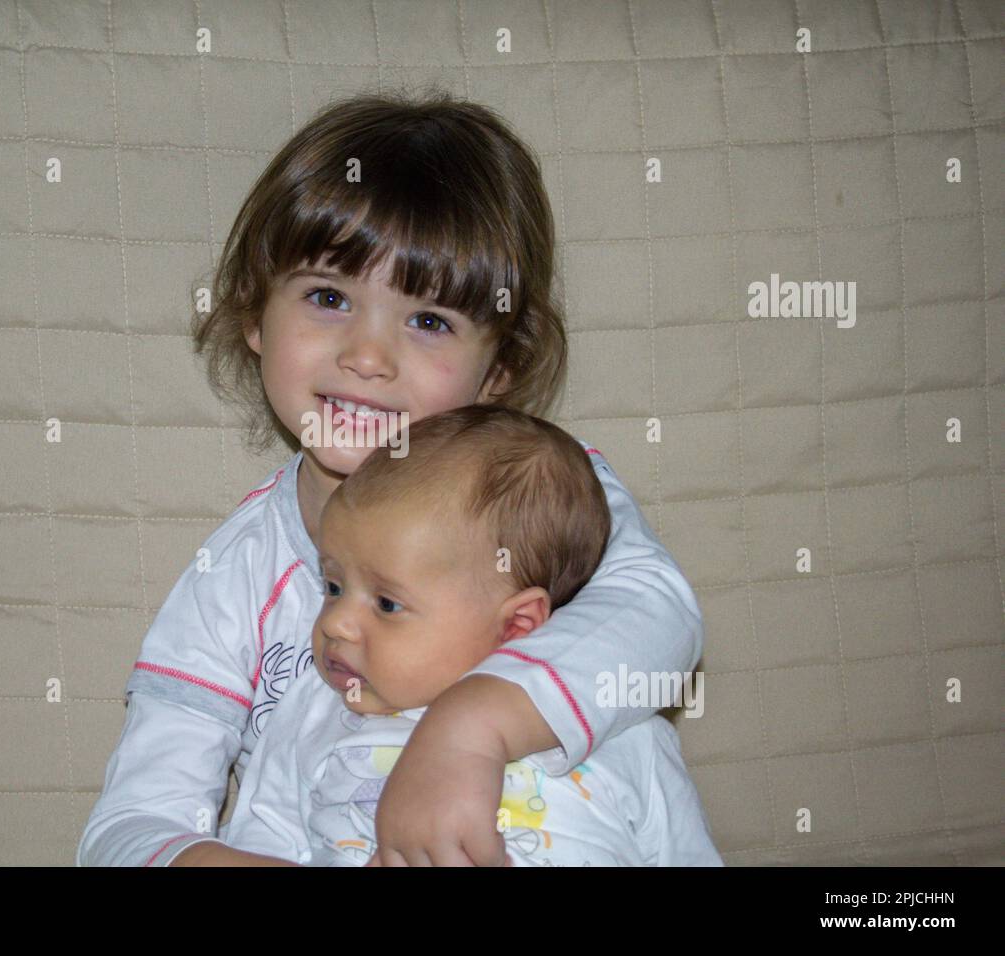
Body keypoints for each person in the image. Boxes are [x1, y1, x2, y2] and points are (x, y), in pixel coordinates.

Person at [77, 88, 704, 867]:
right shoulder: (235, 576)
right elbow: (130, 826)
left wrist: (471, 728)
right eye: (328, 297)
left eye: (430, 320)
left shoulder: (547, 492)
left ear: (501, 366)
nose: (368, 357)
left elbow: (657, 621)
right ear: (253, 314)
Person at [222, 406, 722, 866]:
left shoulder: (612, 721)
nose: (335, 623)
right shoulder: (314, 711)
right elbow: (264, 839)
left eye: (387, 603)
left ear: (516, 627)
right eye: (332, 586)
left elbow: (683, 852)